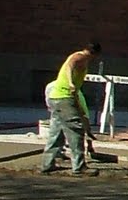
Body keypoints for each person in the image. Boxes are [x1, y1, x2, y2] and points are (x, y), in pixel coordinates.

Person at [41, 42, 101, 175]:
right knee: (75, 131)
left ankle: (47, 164)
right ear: (94, 54)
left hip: (57, 98)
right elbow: (69, 66)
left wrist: (89, 130)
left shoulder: (82, 59)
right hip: (64, 97)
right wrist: (70, 83)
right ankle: (79, 167)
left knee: (56, 132)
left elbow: (82, 112)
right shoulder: (80, 57)